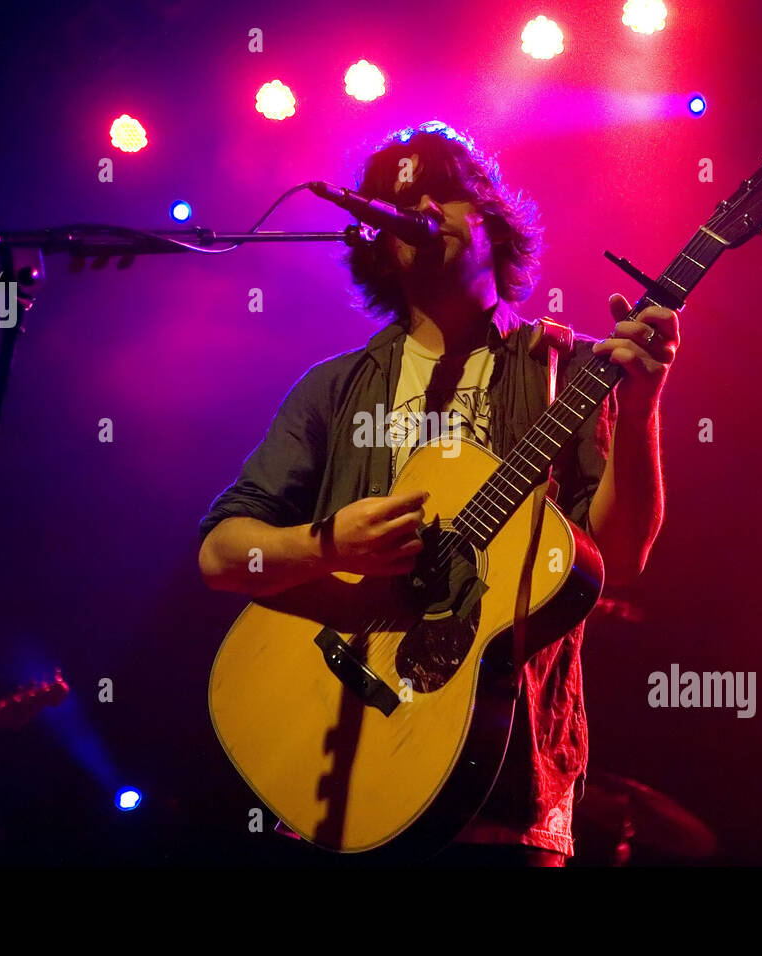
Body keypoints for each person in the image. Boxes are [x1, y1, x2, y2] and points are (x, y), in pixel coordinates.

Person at [198, 122, 677, 865]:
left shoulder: (574, 370)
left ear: (490, 219)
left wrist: (642, 407)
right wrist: (326, 544)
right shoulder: (334, 389)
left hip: (506, 793)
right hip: (336, 775)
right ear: (377, 244)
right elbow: (224, 559)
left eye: (441, 196)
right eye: (396, 205)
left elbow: (616, 557)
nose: (418, 209)